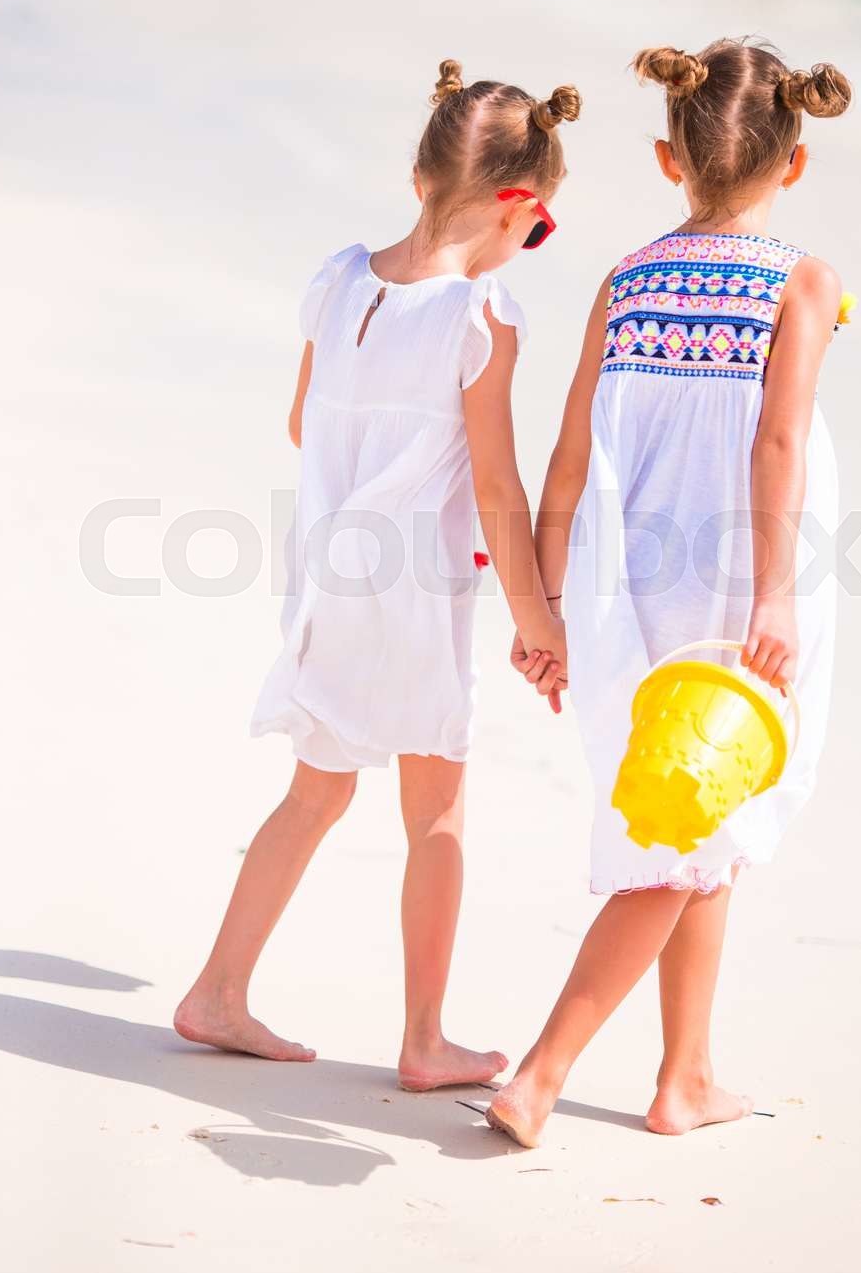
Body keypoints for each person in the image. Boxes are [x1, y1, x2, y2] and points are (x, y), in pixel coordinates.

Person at [175, 60, 578, 1089]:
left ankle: (217, 989)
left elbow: (303, 422)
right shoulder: (481, 319)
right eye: (539, 231)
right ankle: (425, 1038)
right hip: (413, 594)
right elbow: (496, 489)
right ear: (518, 208)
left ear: (417, 175)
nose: (530, 249)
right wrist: (539, 626)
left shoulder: (338, 278)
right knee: (434, 813)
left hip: (326, 577)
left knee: (313, 795)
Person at [489, 38, 850, 1145]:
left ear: (666, 158)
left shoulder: (625, 277)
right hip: (734, 581)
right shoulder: (802, 277)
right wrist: (775, 597)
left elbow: (565, 458)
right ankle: (539, 1073)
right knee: (678, 829)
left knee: (705, 825)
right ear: (792, 163)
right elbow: (777, 441)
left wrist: (544, 612)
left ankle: (684, 1075)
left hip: (617, 586)